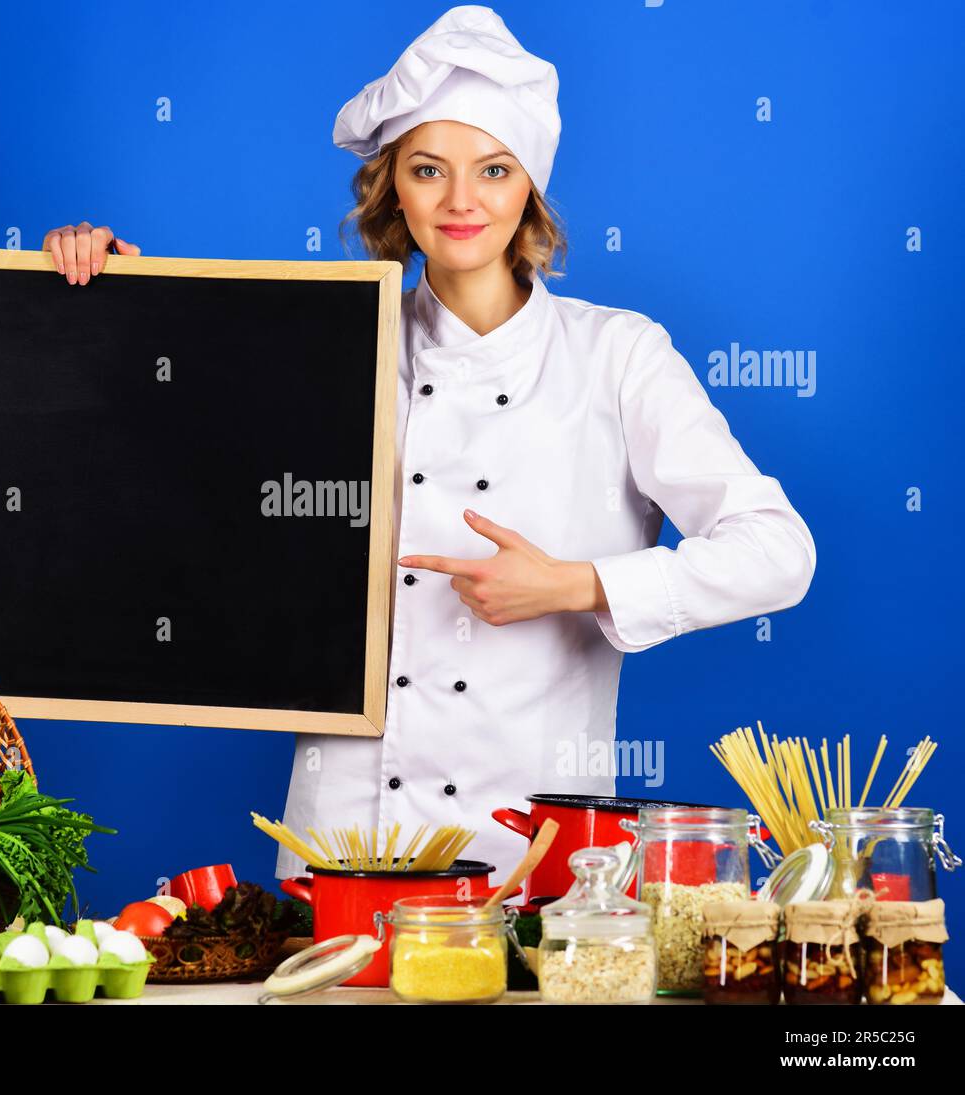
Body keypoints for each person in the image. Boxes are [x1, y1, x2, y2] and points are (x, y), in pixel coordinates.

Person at [40, 5, 816, 883]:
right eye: (426, 170)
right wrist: (114, 303)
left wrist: (573, 583)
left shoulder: (617, 354)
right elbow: (170, 480)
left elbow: (779, 552)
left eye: (492, 169)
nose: (460, 201)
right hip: (342, 842)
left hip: (540, 861)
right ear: (391, 190)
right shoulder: (329, 345)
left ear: (528, 184)